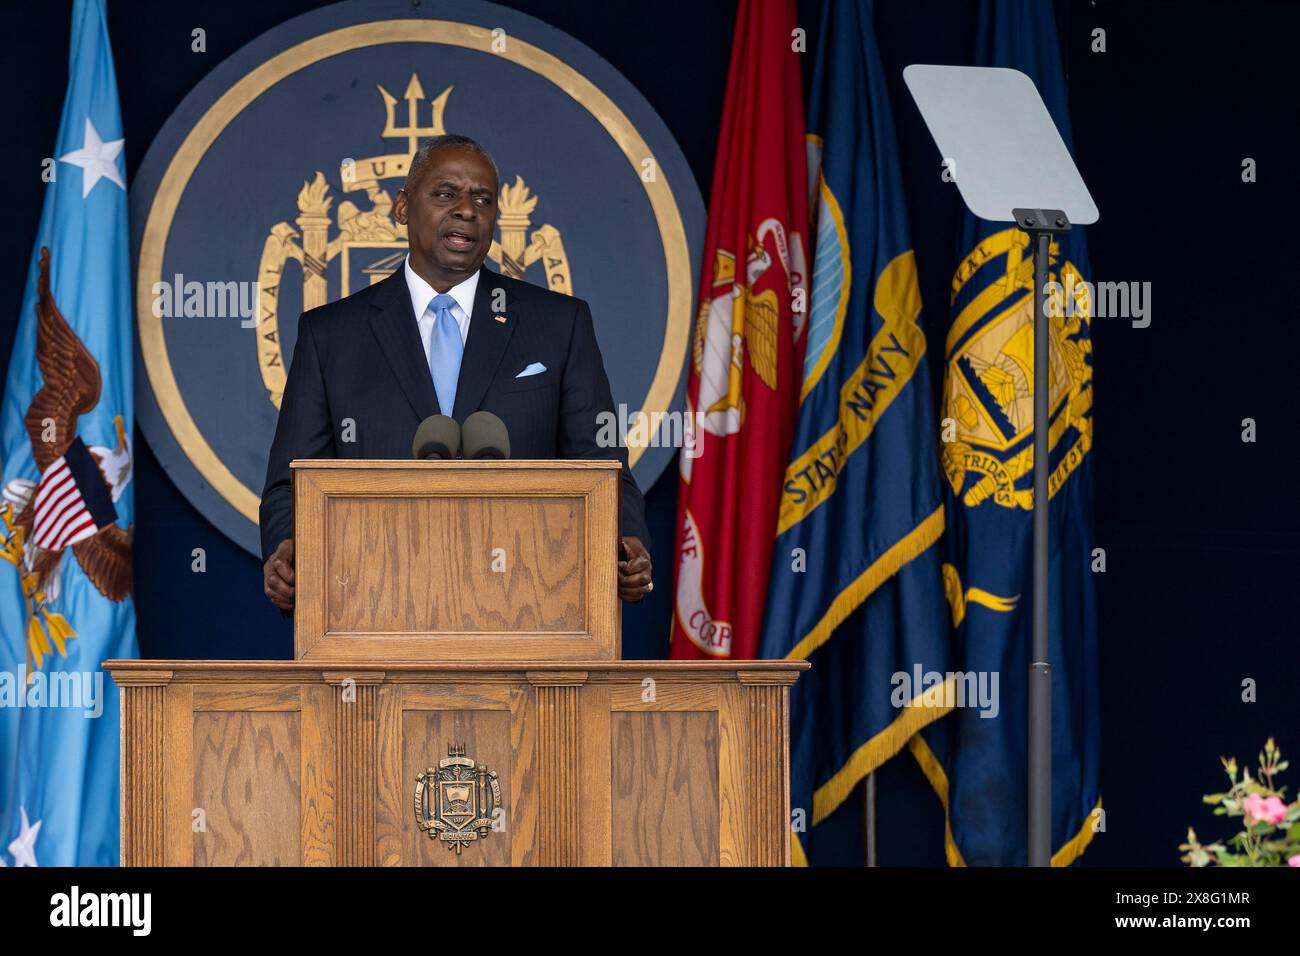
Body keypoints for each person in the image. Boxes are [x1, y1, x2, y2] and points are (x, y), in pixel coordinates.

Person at [260, 134, 652, 611]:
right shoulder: (331, 335)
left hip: (526, 606)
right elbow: (291, 483)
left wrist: (627, 539)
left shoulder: (558, 325)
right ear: (403, 208)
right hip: (370, 607)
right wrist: (286, 548)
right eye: (446, 194)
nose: (467, 209)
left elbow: (602, 465)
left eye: (483, 199)